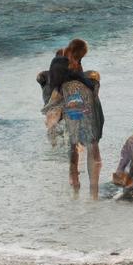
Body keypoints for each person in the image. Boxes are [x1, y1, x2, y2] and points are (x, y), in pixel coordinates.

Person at [41, 58, 101, 196]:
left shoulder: (61, 88)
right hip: (92, 119)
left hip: (76, 118)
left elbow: (48, 111)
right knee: (93, 152)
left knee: (72, 147)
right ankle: (94, 194)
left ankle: (74, 185)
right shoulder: (87, 82)